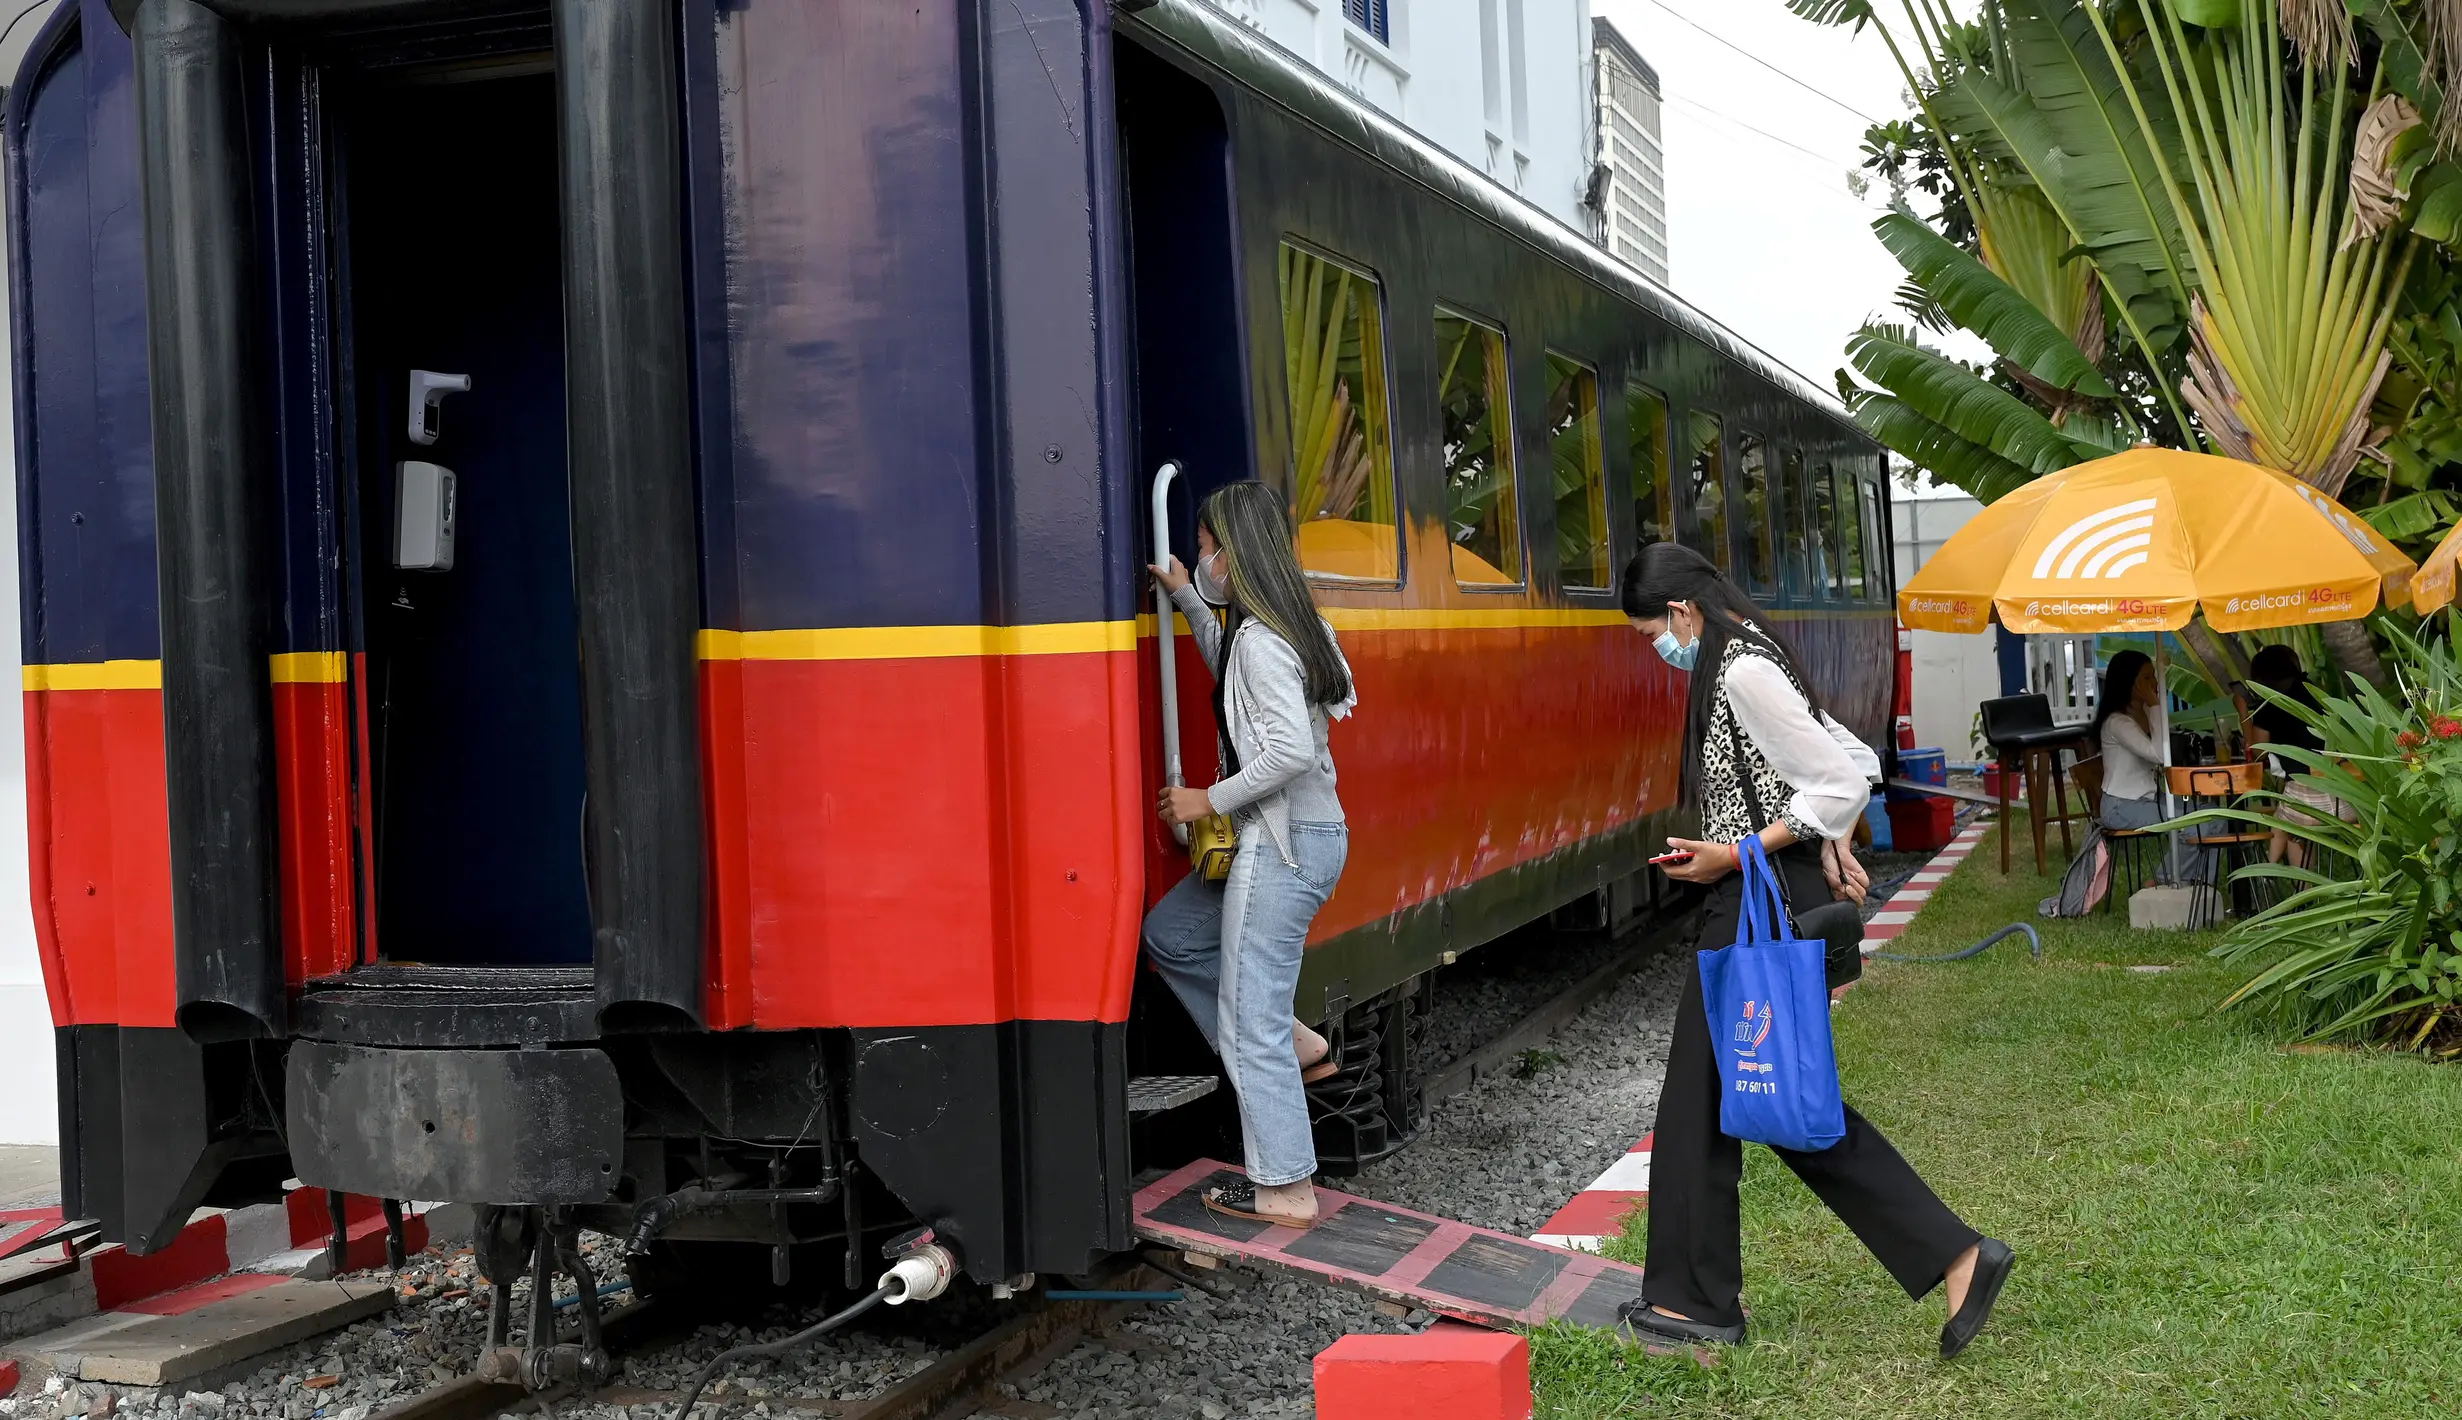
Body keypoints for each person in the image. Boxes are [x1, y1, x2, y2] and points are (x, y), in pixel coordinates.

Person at [1615, 542, 2013, 1360]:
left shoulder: (1740, 670)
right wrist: (1822, 844)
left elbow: (1840, 781)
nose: (1659, 650)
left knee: (1721, 1101)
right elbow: (1853, 758)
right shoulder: (1754, 651)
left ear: (1682, 611)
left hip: (1754, 901)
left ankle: (1703, 1302)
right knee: (1764, 1099)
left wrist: (1738, 852)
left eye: (1654, 633)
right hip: (1760, 893)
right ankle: (1949, 1255)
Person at [1142, 481, 1357, 1229]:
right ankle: (1301, 1045)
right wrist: (1187, 598)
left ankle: (1285, 1188)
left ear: (1230, 554)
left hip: (1280, 845)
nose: (1201, 559)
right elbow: (1235, 672)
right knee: (1173, 936)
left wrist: (1207, 800)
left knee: (1249, 1022)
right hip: (1309, 838)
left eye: (1204, 550)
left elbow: (1287, 751)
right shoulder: (1284, 628)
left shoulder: (1263, 641)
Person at [2243, 645, 2346, 866]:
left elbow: (2257, 751)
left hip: (2307, 804)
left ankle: (2290, 881)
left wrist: (2243, 710)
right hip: (2346, 802)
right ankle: (2270, 869)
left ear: (2261, 679)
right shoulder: (2317, 695)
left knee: (2289, 822)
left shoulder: (2271, 707)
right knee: (2286, 815)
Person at [2094, 650, 2191, 881]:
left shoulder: (2145, 712)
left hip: (2148, 799)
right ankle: (2163, 881)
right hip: (2122, 807)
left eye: (2154, 676)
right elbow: (2159, 754)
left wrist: (2154, 708)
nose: (2155, 683)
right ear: (2129, 683)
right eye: (2147, 678)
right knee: (2194, 824)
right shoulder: (2117, 722)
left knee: (2212, 817)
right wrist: (2156, 704)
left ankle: (2195, 882)